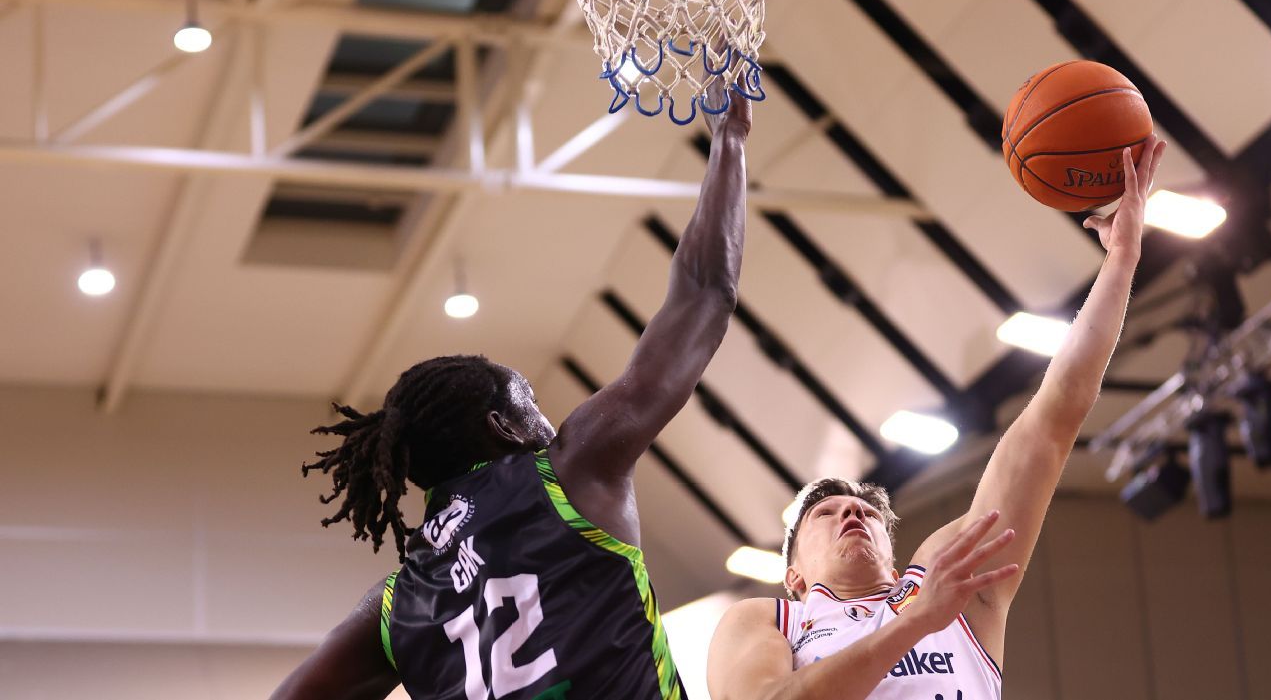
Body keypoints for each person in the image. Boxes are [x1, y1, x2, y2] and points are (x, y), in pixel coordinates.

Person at [269, 82, 752, 700]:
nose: (547, 419)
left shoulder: (393, 604)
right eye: (530, 401)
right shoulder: (570, 469)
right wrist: (728, 142)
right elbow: (704, 291)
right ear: (505, 426)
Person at [708, 135, 1167, 700]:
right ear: (794, 577)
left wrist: (1121, 262)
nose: (852, 512)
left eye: (864, 511)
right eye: (825, 513)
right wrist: (913, 626)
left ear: (894, 553)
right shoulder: (767, 622)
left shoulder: (953, 584)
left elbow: (1050, 424)